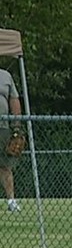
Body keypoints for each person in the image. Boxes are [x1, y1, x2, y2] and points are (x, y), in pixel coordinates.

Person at [0, 67, 22, 212]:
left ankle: (11, 201)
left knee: (4, 165)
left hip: (3, 128)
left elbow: (14, 100)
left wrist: (16, 126)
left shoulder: (5, 76)